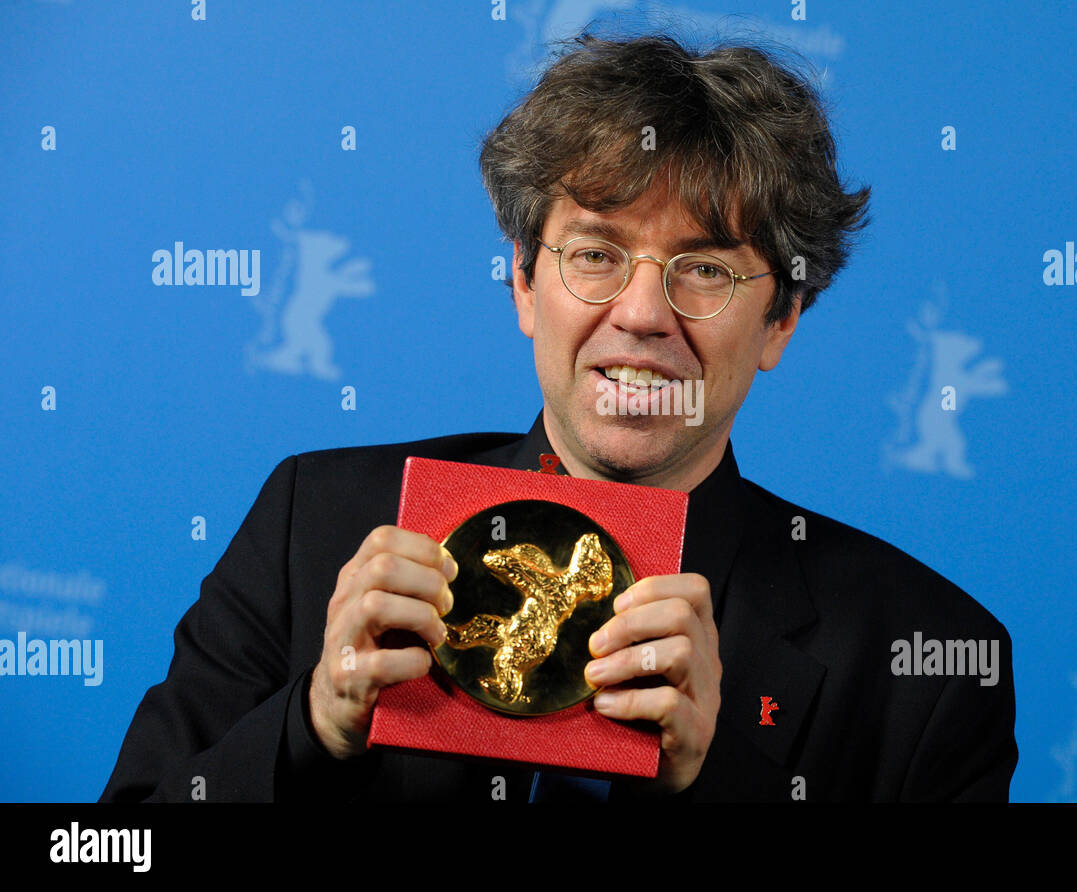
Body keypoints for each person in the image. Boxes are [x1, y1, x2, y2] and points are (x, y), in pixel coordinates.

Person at [102, 32, 1016, 803]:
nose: (644, 313)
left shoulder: (924, 664)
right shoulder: (316, 524)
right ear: (524, 284)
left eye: (705, 268)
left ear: (782, 319)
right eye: (596, 254)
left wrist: (713, 777)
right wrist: (310, 726)